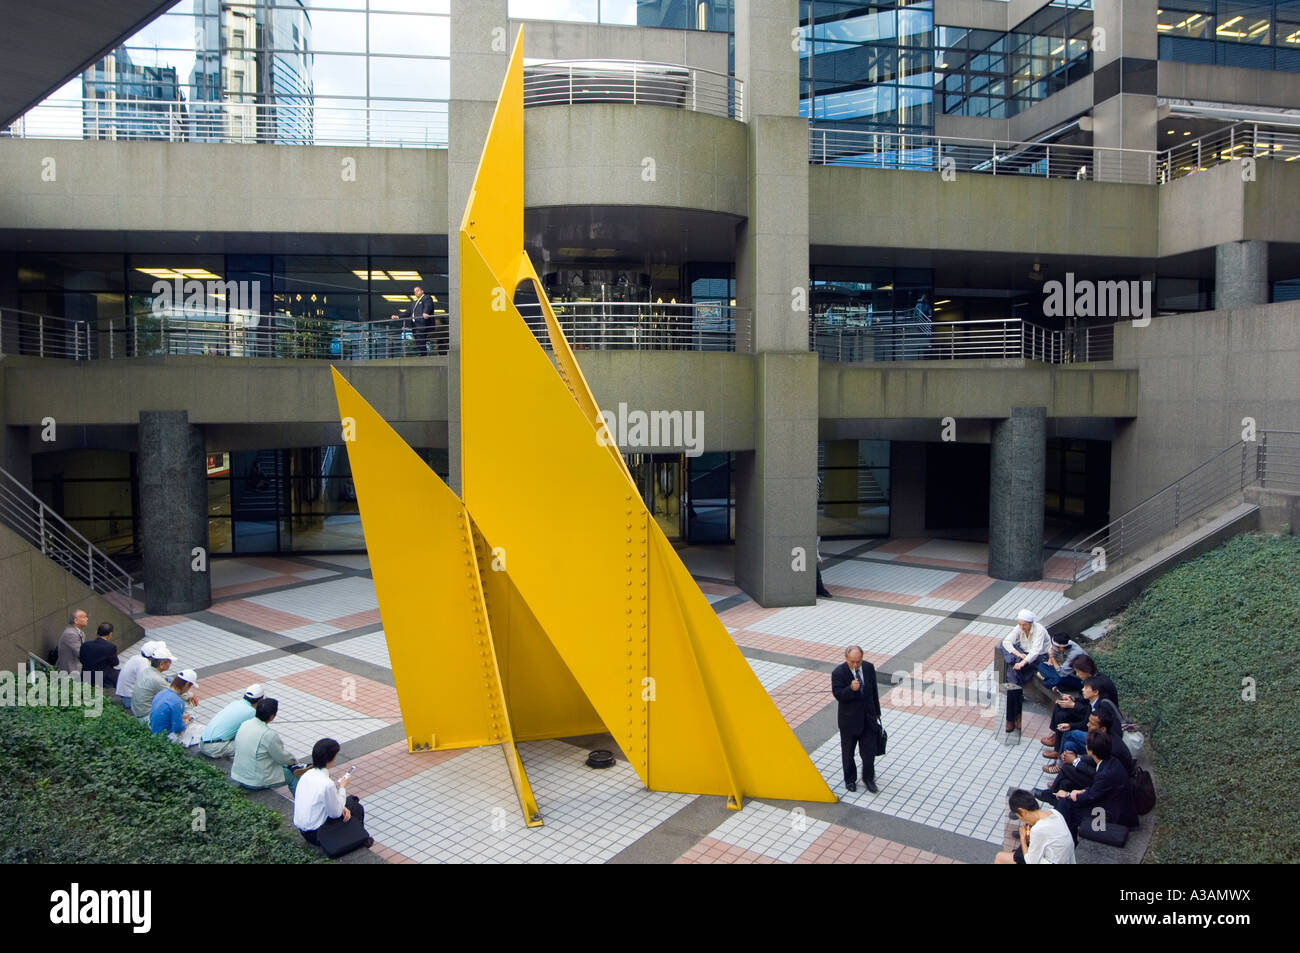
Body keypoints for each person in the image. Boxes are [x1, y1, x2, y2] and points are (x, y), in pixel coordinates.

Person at [1054, 730, 1139, 843]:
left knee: (1067, 807)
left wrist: (1069, 795)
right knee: (1066, 797)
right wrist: (1079, 792)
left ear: (1091, 751)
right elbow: (1096, 790)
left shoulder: (1106, 774)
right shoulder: (1111, 762)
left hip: (1111, 816)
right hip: (1112, 804)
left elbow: (1091, 796)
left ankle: (1068, 842)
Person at [293, 738, 373, 854]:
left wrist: (340, 803)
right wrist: (342, 787)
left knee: (349, 803)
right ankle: (357, 840)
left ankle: (357, 838)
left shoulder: (307, 775)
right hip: (317, 834)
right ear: (331, 758)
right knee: (355, 808)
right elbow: (335, 813)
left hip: (303, 829)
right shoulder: (327, 784)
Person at [831, 645, 881, 793]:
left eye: (858, 661)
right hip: (849, 721)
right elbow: (838, 695)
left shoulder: (868, 668)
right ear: (846, 658)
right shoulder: (838, 673)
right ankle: (850, 780)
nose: (855, 665)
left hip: (868, 718)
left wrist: (877, 712)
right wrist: (850, 689)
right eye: (852, 661)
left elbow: (874, 691)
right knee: (848, 753)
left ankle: (868, 778)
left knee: (868, 753)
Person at [232, 698, 302, 794]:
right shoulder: (269, 735)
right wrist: (295, 761)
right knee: (293, 775)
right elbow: (283, 758)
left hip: (238, 775)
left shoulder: (244, 724)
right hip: (254, 780)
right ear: (272, 716)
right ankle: (302, 805)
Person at [994, 789, 1076, 864]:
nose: (1022, 821)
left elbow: (1031, 861)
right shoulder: (1054, 813)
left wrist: (1023, 838)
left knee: (1000, 857)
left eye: (1020, 817)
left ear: (1023, 812)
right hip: (1066, 860)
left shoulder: (1038, 829)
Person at [1000, 608, 1050, 733]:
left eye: (1024, 625)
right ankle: (1016, 717)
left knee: (1013, 678)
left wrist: (1022, 662)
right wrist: (1019, 655)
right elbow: (1006, 641)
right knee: (1003, 646)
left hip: (1039, 657)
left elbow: (1035, 652)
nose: (1021, 627)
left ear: (1031, 623)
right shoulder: (1019, 628)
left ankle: (1011, 719)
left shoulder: (1039, 630)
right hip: (1023, 654)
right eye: (1020, 624)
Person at [200, 684, 265, 758]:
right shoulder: (252, 712)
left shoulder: (235, 703)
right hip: (214, 748)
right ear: (260, 701)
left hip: (202, 743)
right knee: (254, 744)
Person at [130, 643, 176, 721]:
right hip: (146, 716)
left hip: (138, 711)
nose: (170, 663)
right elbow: (175, 692)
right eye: (169, 661)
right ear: (161, 664)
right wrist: (190, 696)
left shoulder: (147, 670)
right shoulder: (156, 679)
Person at [149, 668, 198, 742]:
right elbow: (177, 728)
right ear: (187, 684)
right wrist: (187, 722)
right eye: (190, 687)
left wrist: (180, 716)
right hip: (164, 738)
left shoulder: (161, 693)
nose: (188, 690)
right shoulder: (177, 702)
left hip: (154, 731)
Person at [390, 284, 437, 355]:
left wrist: (425, 312)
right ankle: (421, 355)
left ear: (422, 291)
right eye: (415, 292)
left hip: (422, 324)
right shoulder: (414, 303)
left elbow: (428, 305)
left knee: (421, 341)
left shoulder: (426, 298)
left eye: (417, 290)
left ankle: (423, 356)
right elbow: (408, 312)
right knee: (418, 341)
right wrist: (398, 316)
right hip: (415, 326)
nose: (416, 292)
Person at [115, 640, 159, 709]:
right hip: (129, 697)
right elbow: (145, 684)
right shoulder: (144, 664)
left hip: (125, 692)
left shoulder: (137, 657)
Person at [79, 622, 120, 691]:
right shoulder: (110, 647)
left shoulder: (85, 645)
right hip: (103, 678)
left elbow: (81, 660)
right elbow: (115, 663)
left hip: (86, 675)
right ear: (110, 634)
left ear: (97, 632)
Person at [56, 610, 88, 674]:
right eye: (84, 617)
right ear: (75, 621)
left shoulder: (79, 632)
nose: (87, 619)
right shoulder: (70, 634)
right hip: (70, 670)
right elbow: (80, 653)